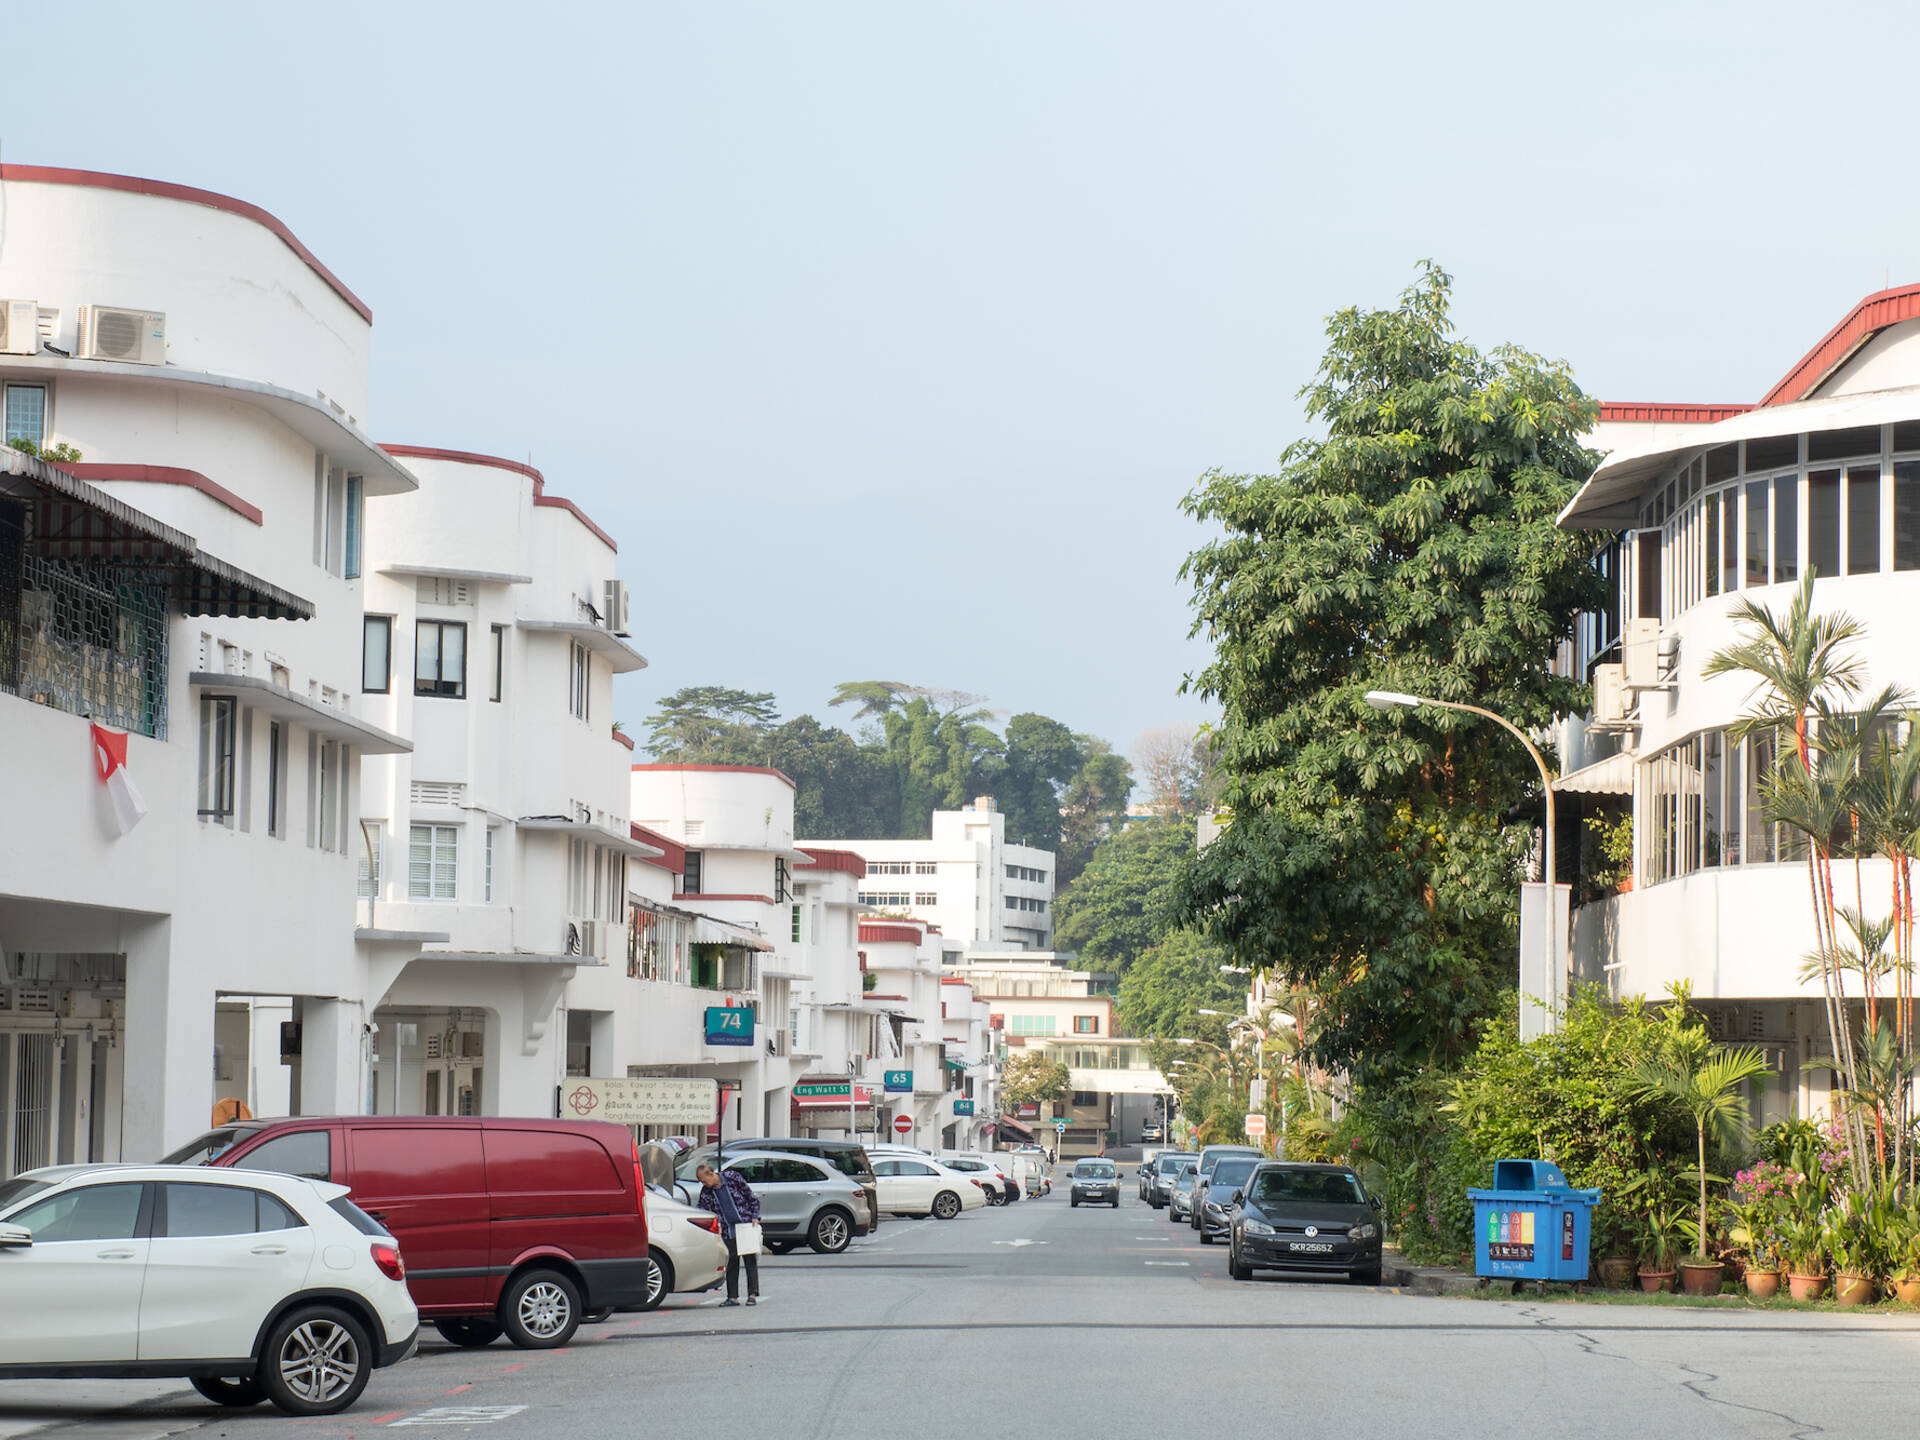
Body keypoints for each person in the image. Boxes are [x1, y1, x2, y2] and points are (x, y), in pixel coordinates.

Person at [695, 1162, 762, 1307]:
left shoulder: (732, 1178)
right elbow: (702, 1209)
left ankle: (752, 1294)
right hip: (727, 1228)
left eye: (703, 1180)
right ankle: (733, 1297)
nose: (703, 1183)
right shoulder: (706, 1192)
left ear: (711, 1174)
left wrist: (755, 1215)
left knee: (750, 1259)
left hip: (744, 1223)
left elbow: (750, 1196)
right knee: (731, 1261)